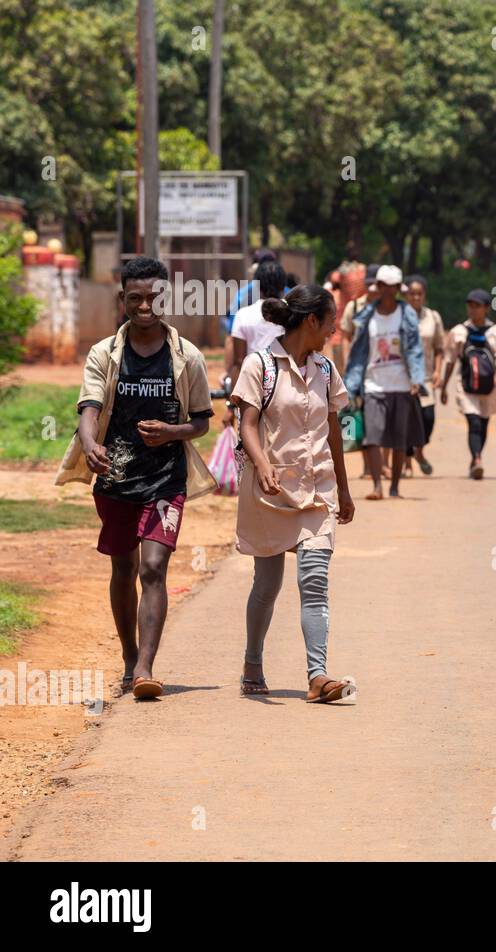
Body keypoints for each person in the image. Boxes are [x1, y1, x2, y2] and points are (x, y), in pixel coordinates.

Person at [56, 256, 216, 699]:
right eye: (135, 298)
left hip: (166, 480)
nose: (145, 306)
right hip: (115, 478)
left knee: (153, 567)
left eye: (154, 297)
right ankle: (129, 655)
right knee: (123, 567)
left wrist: (171, 432)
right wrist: (90, 445)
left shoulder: (188, 357)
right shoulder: (104, 353)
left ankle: (145, 668)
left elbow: (201, 421)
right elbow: (89, 409)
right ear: (122, 298)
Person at [232, 285, 356, 701]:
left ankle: (317, 675)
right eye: (330, 322)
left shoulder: (324, 369)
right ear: (310, 322)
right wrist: (263, 465)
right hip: (272, 490)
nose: (333, 330)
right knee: (267, 585)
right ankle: (252, 662)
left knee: (315, 581)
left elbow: (333, 428)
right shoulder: (260, 365)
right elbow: (247, 424)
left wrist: (343, 486)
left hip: (317, 490)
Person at [343, 265, 425, 499]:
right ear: (377, 288)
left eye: (394, 287)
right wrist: (351, 385)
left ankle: (395, 487)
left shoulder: (406, 314)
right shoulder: (367, 315)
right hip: (373, 385)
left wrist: (417, 379)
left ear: (399, 289)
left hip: (401, 385)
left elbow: (415, 349)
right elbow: (357, 353)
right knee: (372, 437)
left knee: (399, 440)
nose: (389, 291)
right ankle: (377, 486)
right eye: (384, 286)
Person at [441, 288, 496, 480]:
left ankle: (475, 459)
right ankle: (477, 459)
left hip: (489, 385)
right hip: (466, 384)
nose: (472, 309)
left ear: (487, 308)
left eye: (477, 306)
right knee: (474, 422)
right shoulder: (459, 332)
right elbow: (450, 360)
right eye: (470, 305)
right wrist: (444, 385)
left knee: (484, 422)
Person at [403, 275, 445, 476]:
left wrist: (438, 371)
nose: (415, 297)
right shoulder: (399, 316)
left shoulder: (433, 317)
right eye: (412, 294)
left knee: (428, 418)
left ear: (424, 295)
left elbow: (439, 347)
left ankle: (419, 452)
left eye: (419, 294)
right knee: (406, 420)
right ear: (406, 295)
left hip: (427, 377)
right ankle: (407, 460)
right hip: (403, 377)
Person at [228, 260, 288, 376]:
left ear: (257, 286)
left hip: (253, 380)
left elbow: (239, 361)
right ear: (283, 287)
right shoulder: (293, 314)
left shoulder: (243, 315)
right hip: (286, 381)